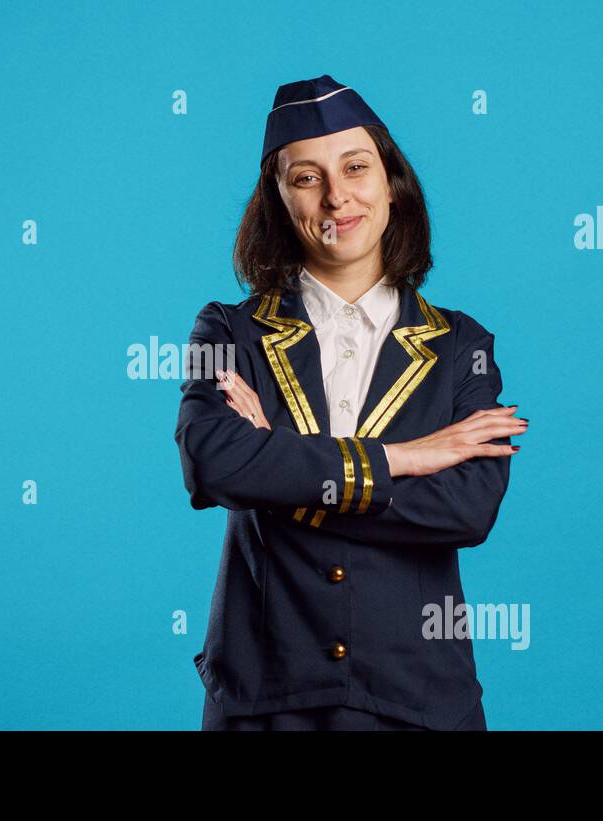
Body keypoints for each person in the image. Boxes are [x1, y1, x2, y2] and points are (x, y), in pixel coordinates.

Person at [175, 74, 527, 731]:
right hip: (262, 703)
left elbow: (470, 507)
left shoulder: (463, 346)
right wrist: (407, 456)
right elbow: (210, 462)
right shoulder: (223, 330)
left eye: (356, 166)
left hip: (421, 705)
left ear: (391, 181)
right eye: (306, 177)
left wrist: (276, 472)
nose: (337, 195)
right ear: (277, 199)